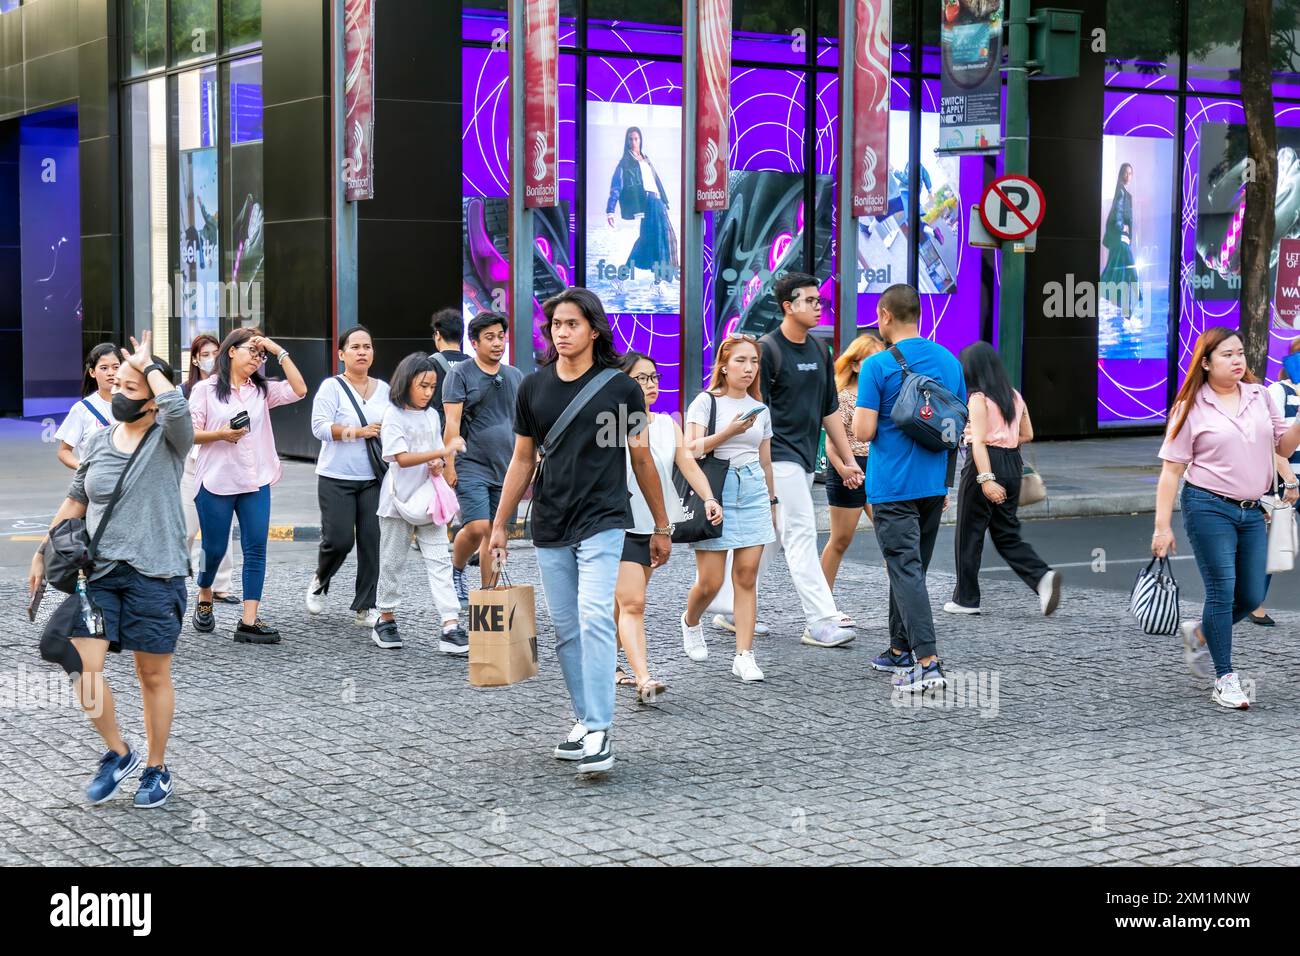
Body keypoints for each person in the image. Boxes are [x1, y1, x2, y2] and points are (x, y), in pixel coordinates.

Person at [489, 287, 672, 776]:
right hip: (550, 521)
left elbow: (640, 456)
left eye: (572, 323)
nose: (562, 332)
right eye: (555, 325)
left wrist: (660, 524)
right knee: (566, 630)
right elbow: (523, 460)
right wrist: (500, 524)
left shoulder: (620, 388)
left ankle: (601, 729)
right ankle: (586, 719)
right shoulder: (533, 387)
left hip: (604, 518)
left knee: (594, 618)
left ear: (594, 329)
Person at [27, 332, 191, 808]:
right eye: (116, 385)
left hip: (156, 573)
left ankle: (157, 768)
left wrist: (149, 366)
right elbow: (75, 502)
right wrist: (42, 550)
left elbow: (178, 410)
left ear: (153, 400)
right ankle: (119, 753)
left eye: (130, 388)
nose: (119, 394)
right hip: (97, 575)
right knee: (84, 668)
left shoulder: (169, 438)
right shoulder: (97, 440)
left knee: (152, 675)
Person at [1153, 327, 1300, 710]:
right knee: (1222, 588)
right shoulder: (1191, 408)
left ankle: (1200, 634)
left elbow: (1282, 446)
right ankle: (1225, 677)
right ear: (1205, 363)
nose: (1238, 361)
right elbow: (1171, 471)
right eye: (1227, 355)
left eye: (1240, 354)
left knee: (1252, 595)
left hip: (1252, 510)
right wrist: (1162, 526)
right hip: (1207, 505)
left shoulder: (1260, 396)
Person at [853, 283, 966, 694]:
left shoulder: (877, 366)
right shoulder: (949, 361)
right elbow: (956, 424)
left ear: (884, 316)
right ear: (917, 315)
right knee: (912, 568)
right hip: (933, 482)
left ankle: (927, 661)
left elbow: (863, 430)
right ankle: (899, 648)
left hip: (893, 483)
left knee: (904, 568)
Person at [747, 272, 863, 647]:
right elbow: (757, 412)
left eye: (820, 301)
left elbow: (829, 409)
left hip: (802, 458)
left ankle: (730, 608)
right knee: (799, 533)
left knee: (770, 538)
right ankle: (821, 620)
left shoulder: (819, 350)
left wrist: (848, 459)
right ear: (787, 306)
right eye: (810, 301)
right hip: (777, 457)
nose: (818, 306)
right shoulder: (767, 350)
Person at [189, 327, 308, 644]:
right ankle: (204, 593)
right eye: (251, 351)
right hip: (215, 481)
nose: (257, 358)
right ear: (231, 351)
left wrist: (276, 348)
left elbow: (300, 389)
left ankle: (248, 621)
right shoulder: (205, 389)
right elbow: (188, 433)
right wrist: (221, 435)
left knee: (256, 549)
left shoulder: (262, 390)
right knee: (213, 550)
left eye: (261, 354)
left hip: (255, 481)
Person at [615, 351, 719, 701]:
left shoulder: (665, 425)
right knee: (633, 602)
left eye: (654, 378)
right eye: (641, 378)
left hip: (653, 525)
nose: (650, 385)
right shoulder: (610, 423)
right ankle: (644, 678)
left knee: (624, 602)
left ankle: (609, 659)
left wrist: (708, 498)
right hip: (616, 521)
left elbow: (688, 464)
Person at [680, 335, 776, 681]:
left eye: (753, 361)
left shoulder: (761, 409)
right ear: (723, 364)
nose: (748, 368)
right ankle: (691, 620)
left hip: (752, 490)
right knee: (710, 581)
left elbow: (765, 461)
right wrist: (729, 432)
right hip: (715, 488)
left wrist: (772, 500)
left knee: (747, 576)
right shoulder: (706, 402)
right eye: (740, 361)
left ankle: (744, 655)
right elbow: (690, 450)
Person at [946, 341, 1061, 617]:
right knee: (1006, 532)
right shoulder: (1014, 396)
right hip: (1012, 463)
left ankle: (966, 599)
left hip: (985, 465)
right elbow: (1028, 434)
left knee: (969, 533)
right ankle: (1041, 576)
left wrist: (985, 478)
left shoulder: (978, 399)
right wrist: (1005, 440)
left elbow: (979, 444)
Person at [372, 353, 468, 652]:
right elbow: (400, 458)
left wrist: (440, 460)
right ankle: (385, 619)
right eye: (423, 385)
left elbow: (433, 452)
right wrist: (440, 452)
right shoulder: (393, 415)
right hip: (397, 499)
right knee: (392, 561)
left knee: (440, 560)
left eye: (432, 387)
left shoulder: (431, 415)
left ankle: (450, 624)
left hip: (430, 500)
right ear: (406, 383)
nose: (428, 392)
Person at [307, 325, 390, 628]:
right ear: (341, 354)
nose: (362, 352)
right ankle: (320, 578)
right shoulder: (332, 387)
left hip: (373, 477)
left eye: (367, 346)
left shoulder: (384, 389)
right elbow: (319, 427)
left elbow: (394, 427)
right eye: (355, 347)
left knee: (371, 541)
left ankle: (365, 607)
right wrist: (358, 432)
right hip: (335, 476)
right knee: (339, 540)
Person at [442, 312, 525, 603]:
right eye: (489, 338)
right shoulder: (460, 373)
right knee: (478, 527)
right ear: (474, 343)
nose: (497, 343)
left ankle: (488, 598)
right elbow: (452, 423)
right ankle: (456, 567)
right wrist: (449, 464)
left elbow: (524, 424)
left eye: (501, 337)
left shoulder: (515, 376)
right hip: (471, 464)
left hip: (506, 467)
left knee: (496, 531)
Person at [821, 332, 884, 591]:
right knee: (840, 540)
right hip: (849, 470)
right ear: (856, 365)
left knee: (891, 538)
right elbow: (830, 443)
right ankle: (822, 604)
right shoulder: (844, 397)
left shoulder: (883, 395)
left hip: (878, 467)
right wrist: (844, 468)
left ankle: (905, 605)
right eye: (870, 361)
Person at [180, 334, 237, 604]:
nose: (212, 357)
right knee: (187, 530)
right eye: (206, 353)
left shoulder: (228, 389)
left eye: (217, 352)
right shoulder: (184, 391)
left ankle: (219, 584)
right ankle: (174, 580)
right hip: (190, 467)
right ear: (195, 358)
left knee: (218, 531)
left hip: (219, 467)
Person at [1252, 339, 1300, 626]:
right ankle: (1253, 601)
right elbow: (1274, 441)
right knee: (1273, 542)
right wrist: (1290, 480)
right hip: (1287, 479)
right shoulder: (1277, 391)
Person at [605, 126, 675, 291]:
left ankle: (657, 282)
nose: (634, 142)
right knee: (646, 241)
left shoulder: (646, 158)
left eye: (636, 139)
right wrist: (610, 210)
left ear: (640, 140)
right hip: (646, 204)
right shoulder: (625, 163)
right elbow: (616, 187)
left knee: (662, 240)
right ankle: (621, 278)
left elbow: (655, 181)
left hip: (657, 203)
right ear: (627, 141)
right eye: (631, 139)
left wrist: (664, 201)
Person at [55, 344, 122, 470]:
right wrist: (83, 468)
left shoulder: (136, 404)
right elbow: (64, 451)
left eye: (116, 367)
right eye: (104, 368)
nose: (111, 373)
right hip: (97, 484)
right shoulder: (82, 409)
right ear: (92, 372)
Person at [1101, 163, 1140, 312]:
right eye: (1126, 173)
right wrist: (1121, 227)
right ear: (1121, 174)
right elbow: (1117, 211)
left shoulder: (1123, 192)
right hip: (1120, 239)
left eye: (1130, 173)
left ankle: (1125, 308)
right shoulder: (1122, 193)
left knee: (1118, 272)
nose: (1128, 176)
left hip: (1121, 240)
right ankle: (1131, 308)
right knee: (1128, 272)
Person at [429, 307, 470, 421]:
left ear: (438, 334)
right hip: (468, 434)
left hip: (439, 431)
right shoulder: (474, 365)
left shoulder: (429, 364)